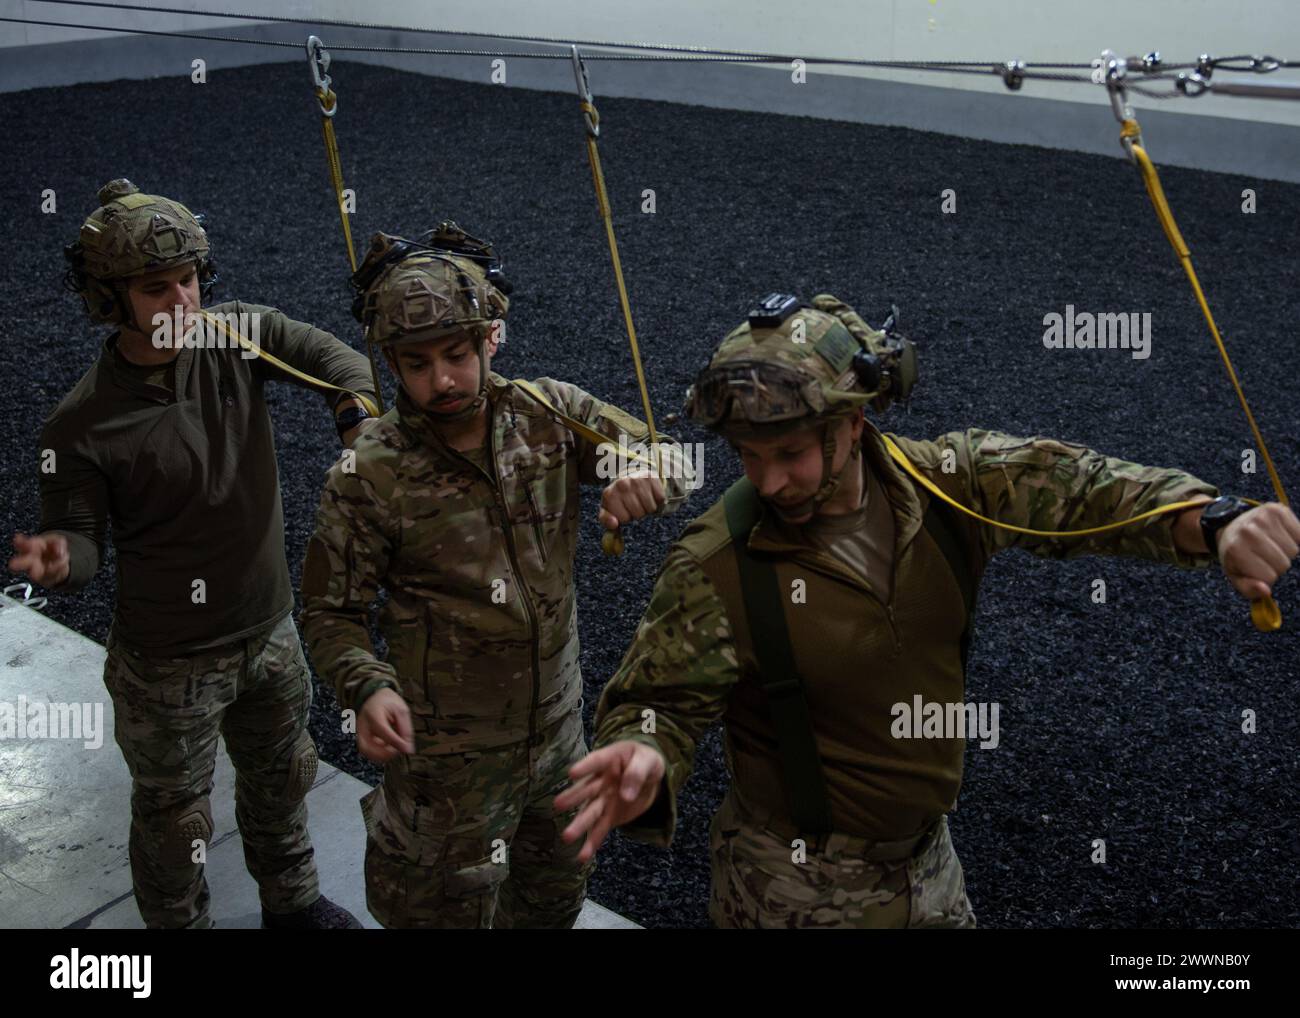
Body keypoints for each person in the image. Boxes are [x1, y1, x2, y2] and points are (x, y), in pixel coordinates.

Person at [555, 292, 1300, 928]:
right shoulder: (715, 561)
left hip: (930, 869)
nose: (770, 480)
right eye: (749, 456)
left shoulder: (947, 487)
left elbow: (1082, 488)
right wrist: (645, 751)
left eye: (790, 453)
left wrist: (1212, 521)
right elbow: (660, 702)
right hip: (786, 888)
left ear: (854, 422)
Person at [299, 223, 693, 928]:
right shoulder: (371, 473)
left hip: (557, 742)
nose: (441, 380)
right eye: (416, 364)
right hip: (446, 766)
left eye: (457, 354)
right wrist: (365, 686)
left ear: (492, 338)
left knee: (551, 900)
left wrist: (649, 472)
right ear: (389, 362)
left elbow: (675, 459)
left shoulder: (548, 415)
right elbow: (330, 613)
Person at [9, 178, 375, 929]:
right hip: (168, 665)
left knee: (284, 779)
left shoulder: (234, 336)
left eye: (190, 281)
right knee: (177, 828)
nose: (182, 303)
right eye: (156, 288)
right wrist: (61, 559)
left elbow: (336, 359)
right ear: (111, 302)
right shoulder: (78, 426)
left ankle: (295, 902)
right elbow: (81, 546)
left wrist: (356, 420)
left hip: (270, 631)